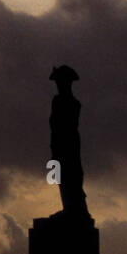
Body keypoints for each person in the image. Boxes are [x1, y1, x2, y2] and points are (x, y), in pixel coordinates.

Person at [48, 65, 89, 219]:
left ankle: (74, 209)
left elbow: (62, 126)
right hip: (62, 144)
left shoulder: (67, 103)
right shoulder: (64, 102)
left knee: (70, 177)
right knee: (63, 177)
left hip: (67, 144)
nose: (58, 86)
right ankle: (70, 208)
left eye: (60, 82)